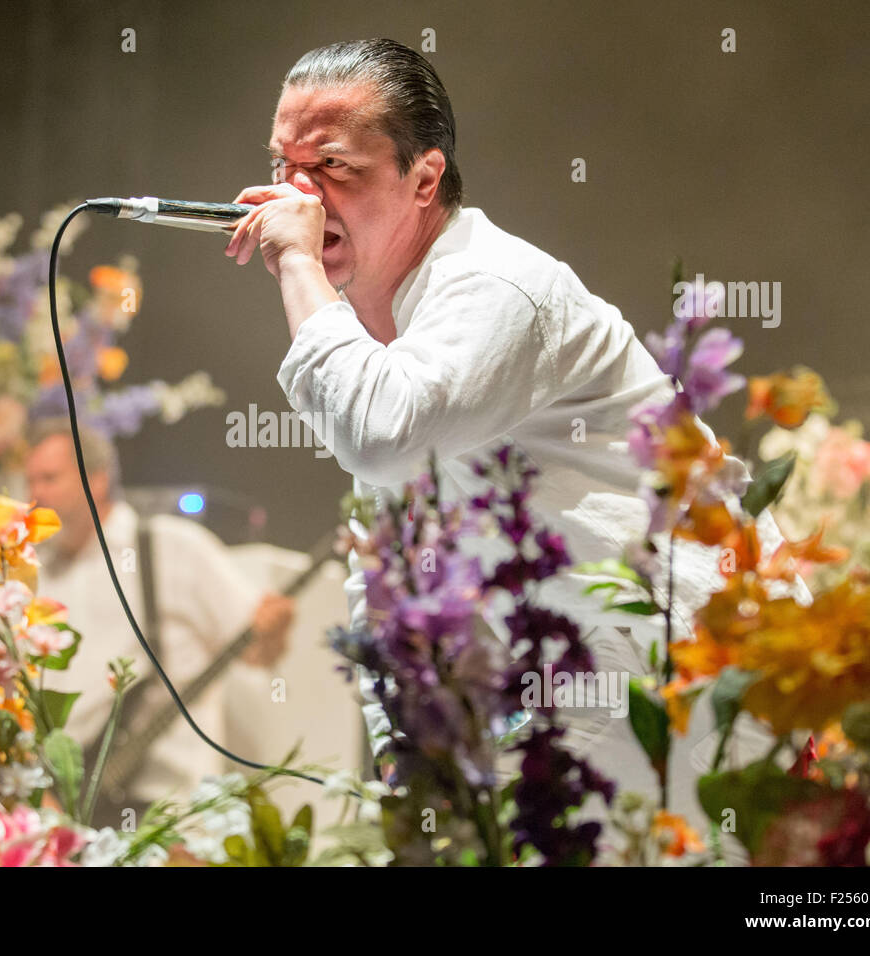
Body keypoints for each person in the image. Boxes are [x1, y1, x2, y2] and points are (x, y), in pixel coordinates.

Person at [222, 38, 809, 858]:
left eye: (330, 167)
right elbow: (389, 554)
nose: (297, 197)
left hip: (680, 692)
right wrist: (408, 751)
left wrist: (294, 261)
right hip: (562, 708)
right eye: (282, 166)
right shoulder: (383, 322)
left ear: (424, 179)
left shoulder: (494, 287)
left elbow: (378, 437)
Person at [23, 416, 294, 825]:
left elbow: (256, 648)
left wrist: (274, 628)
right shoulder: (40, 573)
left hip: (167, 811)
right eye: (31, 482)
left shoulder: (171, 546)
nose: (35, 495)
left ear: (96, 479)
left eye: (49, 479)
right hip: (65, 810)